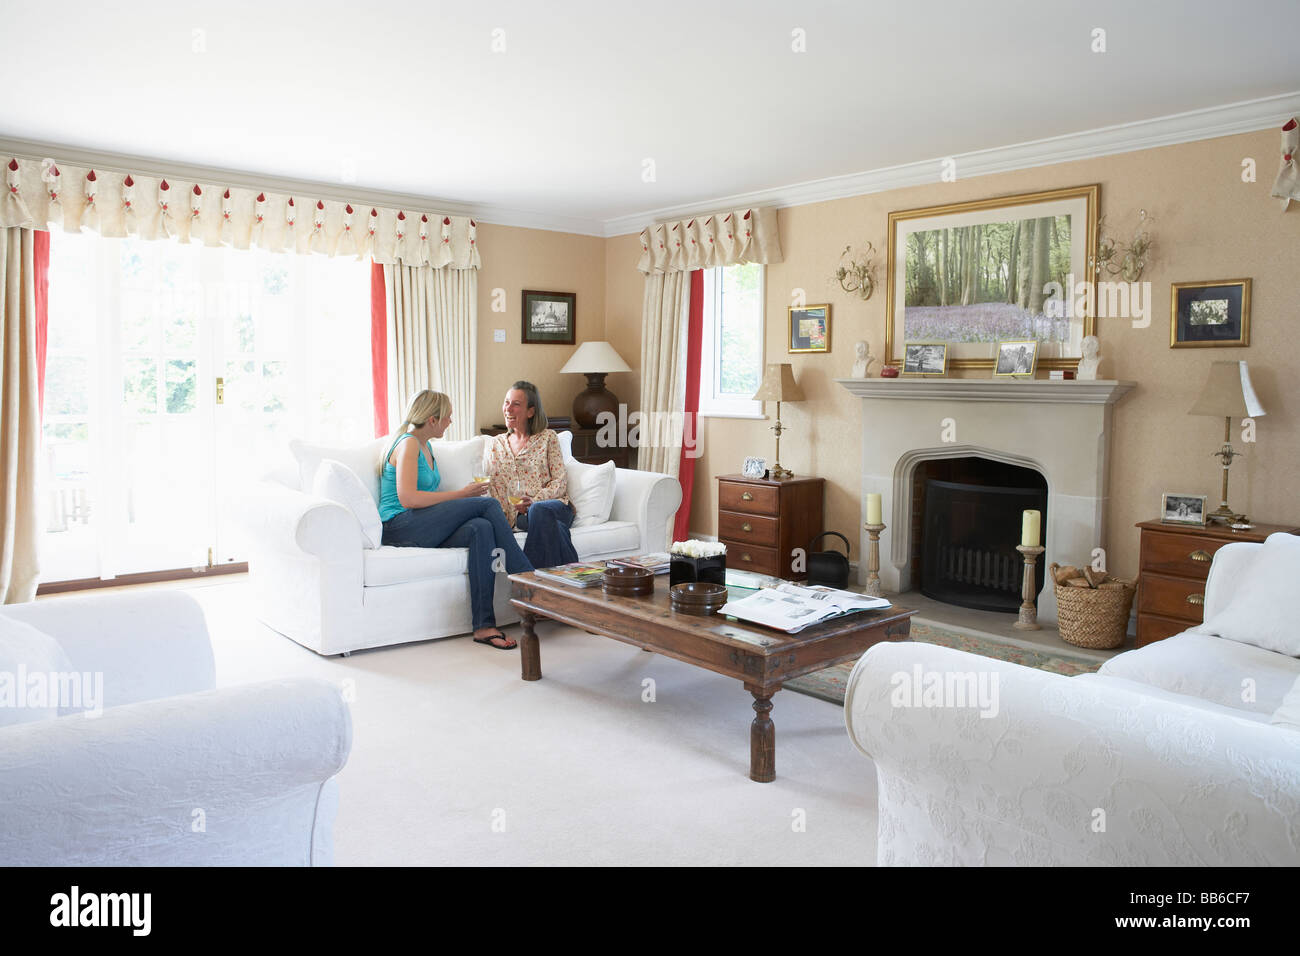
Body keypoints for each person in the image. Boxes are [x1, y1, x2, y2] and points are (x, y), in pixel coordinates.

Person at [379, 389, 532, 650]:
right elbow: (408, 499)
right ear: (432, 420)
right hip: (400, 526)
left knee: (481, 528)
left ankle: (484, 626)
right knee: (488, 505)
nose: (450, 421)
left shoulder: (426, 446)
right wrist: (461, 496)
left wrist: (460, 500)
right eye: (447, 417)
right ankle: (527, 576)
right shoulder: (408, 443)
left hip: (420, 524)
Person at [486, 381, 580, 569]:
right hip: (521, 517)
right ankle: (572, 572)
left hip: (555, 506)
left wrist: (534, 500)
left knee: (539, 510)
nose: (508, 409)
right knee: (557, 530)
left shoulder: (548, 438)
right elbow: (496, 488)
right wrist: (506, 521)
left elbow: (560, 481)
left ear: (531, 411)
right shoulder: (497, 444)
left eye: (516, 404)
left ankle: (527, 579)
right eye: (506, 402)